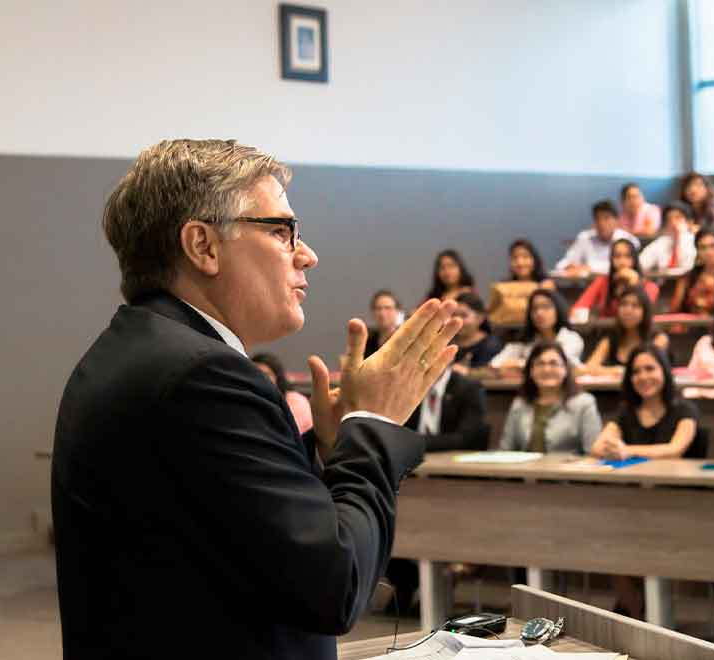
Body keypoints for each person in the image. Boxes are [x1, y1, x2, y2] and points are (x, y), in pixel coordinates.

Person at [52, 139, 461, 659]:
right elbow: (335, 586)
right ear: (203, 246)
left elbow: (238, 537)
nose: (306, 254)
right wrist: (372, 424)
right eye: (281, 231)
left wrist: (332, 452)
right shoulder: (201, 375)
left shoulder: (139, 350)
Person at [591, 345, 699, 618]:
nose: (643, 376)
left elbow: (674, 450)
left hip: (675, 504)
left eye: (650, 368)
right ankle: (636, 612)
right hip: (631, 504)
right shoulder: (626, 412)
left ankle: (638, 615)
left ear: (664, 371)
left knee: (630, 532)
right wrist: (613, 447)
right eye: (636, 371)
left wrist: (629, 450)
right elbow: (597, 447)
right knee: (607, 535)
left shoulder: (684, 409)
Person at [386, 365, 489, 614]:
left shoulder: (468, 389)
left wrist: (418, 442)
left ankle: (439, 584)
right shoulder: (407, 388)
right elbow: (394, 430)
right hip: (410, 474)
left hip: (456, 480)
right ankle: (407, 582)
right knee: (387, 513)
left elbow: (468, 438)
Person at [499, 342, 603, 453]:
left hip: (566, 469)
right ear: (531, 371)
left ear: (566, 369)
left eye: (554, 363)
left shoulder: (584, 404)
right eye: (540, 364)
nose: (546, 370)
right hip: (525, 469)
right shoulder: (520, 404)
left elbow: (593, 452)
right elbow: (505, 450)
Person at [491, 289, 584, 370]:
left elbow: (557, 363)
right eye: (534, 309)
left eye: (546, 307)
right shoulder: (526, 339)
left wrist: (518, 363)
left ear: (558, 310)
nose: (539, 313)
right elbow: (495, 363)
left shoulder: (571, 338)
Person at [582, 288, 670, 374]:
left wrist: (618, 371)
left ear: (645, 312)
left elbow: (646, 369)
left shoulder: (658, 339)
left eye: (635, 306)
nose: (628, 310)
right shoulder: (610, 340)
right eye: (623, 304)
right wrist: (615, 370)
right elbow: (588, 368)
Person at [571, 238, 659, 318]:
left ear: (635, 259)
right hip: (606, 332)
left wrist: (634, 283)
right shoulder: (602, 281)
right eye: (617, 256)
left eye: (627, 256)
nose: (622, 262)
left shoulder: (650, 287)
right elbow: (578, 307)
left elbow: (643, 315)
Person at [555, 200, 639, 276]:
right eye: (597, 219)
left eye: (606, 218)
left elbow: (626, 266)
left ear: (616, 221)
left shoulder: (628, 240)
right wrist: (568, 266)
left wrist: (590, 268)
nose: (601, 223)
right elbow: (563, 263)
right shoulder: (585, 237)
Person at [487, 238, 553, 327]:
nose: (520, 263)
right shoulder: (502, 287)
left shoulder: (546, 284)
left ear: (534, 260)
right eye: (515, 258)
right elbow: (491, 311)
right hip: (507, 332)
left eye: (525, 257)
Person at [251, 352, 314, 434]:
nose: (259, 379)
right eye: (254, 374)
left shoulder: (295, 400)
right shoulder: (249, 399)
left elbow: (290, 435)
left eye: (265, 375)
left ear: (278, 378)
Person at [451, 293, 502, 371]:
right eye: (453, 315)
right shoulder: (446, 343)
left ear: (480, 318)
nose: (457, 320)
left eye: (463, 315)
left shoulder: (491, 345)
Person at [639, 202, 697, 272]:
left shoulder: (695, 240)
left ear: (689, 222)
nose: (673, 222)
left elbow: (689, 266)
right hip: (663, 280)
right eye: (668, 219)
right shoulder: (661, 242)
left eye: (678, 217)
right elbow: (641, 263)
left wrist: (679, 238)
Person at [364, 289, 404, 358]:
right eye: (378, 308)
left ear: (397, 311)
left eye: (388, 308)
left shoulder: (404, 338)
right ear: (372, 312)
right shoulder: (367, 341)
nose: (382, 313)